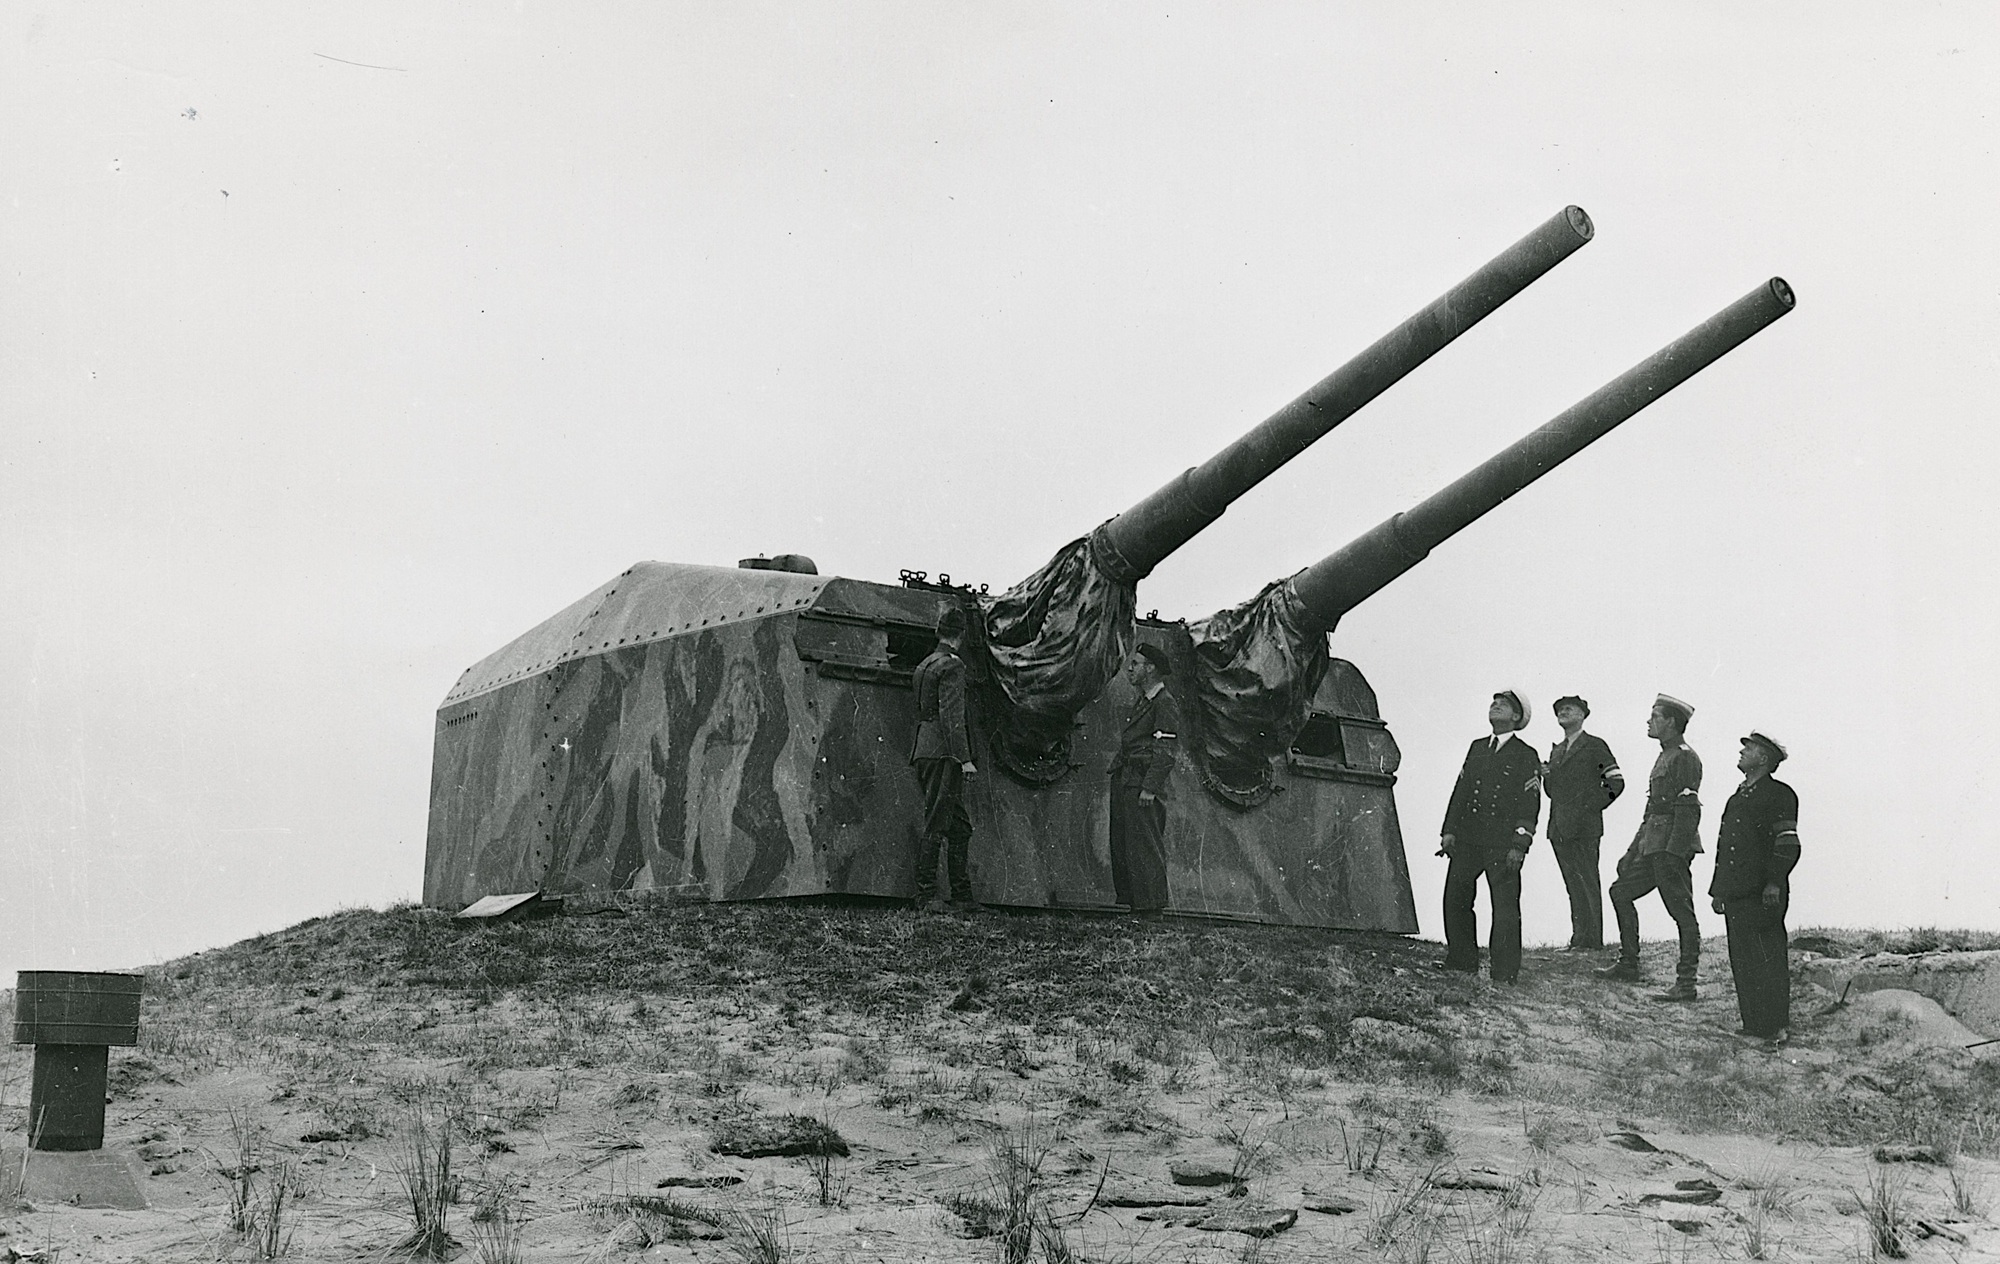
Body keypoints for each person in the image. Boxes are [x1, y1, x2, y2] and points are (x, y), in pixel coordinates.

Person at [1598, 694, 1704, 1001]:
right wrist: (1632, 851)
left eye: (1655, 716)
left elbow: (1688, 808)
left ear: (1671, 722)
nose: (1649, 721)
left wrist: (1674, 852)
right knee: (1620, 891)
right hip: (1652, 846)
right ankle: (1629, 963)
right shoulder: (1665, 755)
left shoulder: (1684, 756)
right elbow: (1650, 812)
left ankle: (1686, 983)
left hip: (1670, 848)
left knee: (1681, 912)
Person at [1440, 690, 1542, 983]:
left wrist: (1520, 844)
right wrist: (1449, 830)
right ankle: (1461, 961)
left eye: (1505, 705)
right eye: (1494, 702)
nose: (1496, 705)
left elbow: (1530, 804)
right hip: (1469, 839)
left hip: (1502, 844)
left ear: (1516, 717)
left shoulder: (1526, 755)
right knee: (1456, 898)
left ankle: (1504, 972)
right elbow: (1460, 792)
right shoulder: (1476, 748)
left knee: (1506, 908)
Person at [1710, 732, 1801, 1047]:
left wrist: (1775, 881)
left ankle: (1776, 1026)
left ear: (1763, 758)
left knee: (1768, 957)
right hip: (1737, 891)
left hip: (1764, 891)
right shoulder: (1737, 797)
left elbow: (1788, 843)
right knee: (1742, 958)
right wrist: (1718, 890)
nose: (1742, 751)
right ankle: (1754, 1024)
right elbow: (1725, 847)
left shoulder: (1780, 794)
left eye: (1748, 748)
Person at [1541, 695, 1625, 951]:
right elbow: (1553, 792)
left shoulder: (1594, 745)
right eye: (1559, 709)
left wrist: (1588, 808)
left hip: (1585, 827)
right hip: (1558, 827)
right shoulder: (1556, 750)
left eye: (1569, 708)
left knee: (1587, 880)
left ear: (1583, 714)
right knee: (1572, 883)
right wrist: (1547, 777)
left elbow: (1616, 782)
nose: (1563, 712)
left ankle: (1591, 941)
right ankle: (1579, 939)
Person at [908, 605, 978, 910]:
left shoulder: (925, 664)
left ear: (939, 632)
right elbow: (952, 718)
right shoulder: (953, 666)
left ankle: (962, 896)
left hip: (925, 748)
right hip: (943, 753)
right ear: (961, 636)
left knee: (959, 825)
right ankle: (926, 894)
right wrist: (964, 758)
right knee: (937, 821)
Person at [1108, 642, 1179, 915]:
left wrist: (1149, 788)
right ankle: (1137, 904)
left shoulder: (1164, 704)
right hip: (1128, 779)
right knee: (1128, 844)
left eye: (1136, 664)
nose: (1130, 669)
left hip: (1142, 783)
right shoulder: (1144, 701)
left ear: (1150, 669)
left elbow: (1166, 752)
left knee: (1145, 846)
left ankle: (1151, 909)